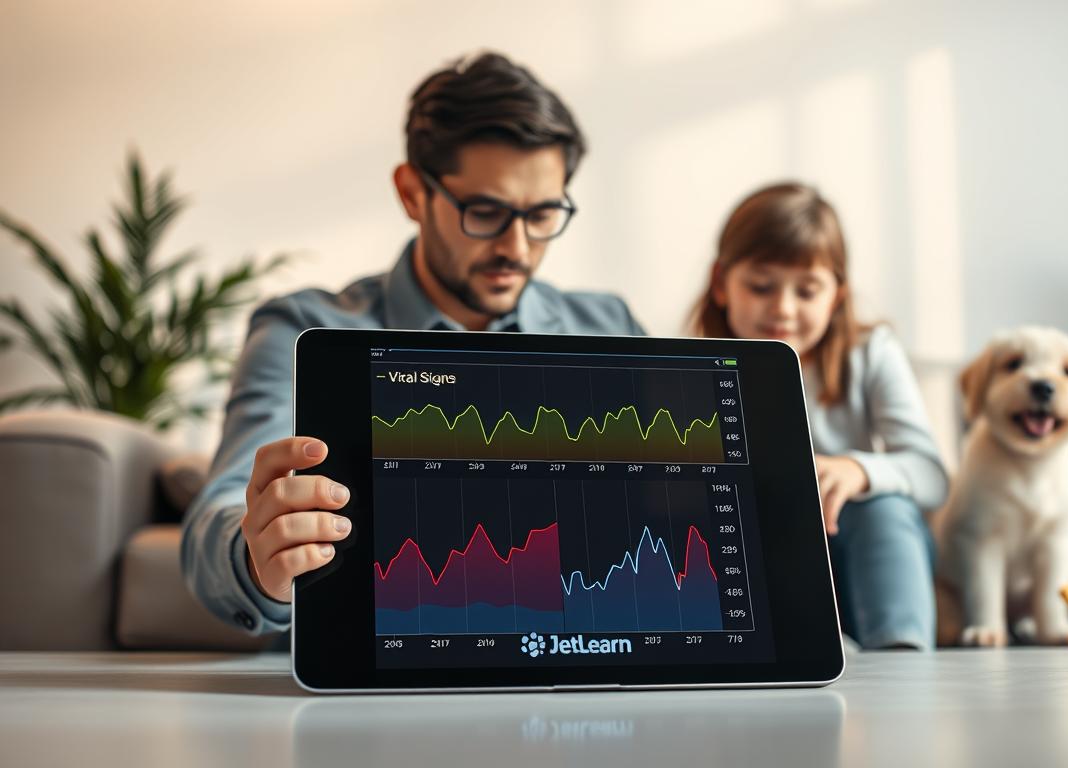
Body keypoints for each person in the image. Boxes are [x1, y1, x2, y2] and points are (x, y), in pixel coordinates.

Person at [182, 51, 645, 636]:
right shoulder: (302, 331)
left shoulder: (608, 326)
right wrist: (255, 559)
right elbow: (220, 510)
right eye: (486, 211)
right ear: (411, 193)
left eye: (543, 214)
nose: (519, 248)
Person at [690, 182, 948, 650]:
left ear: (837, 296)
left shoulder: (871, 354)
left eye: (807, 291)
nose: (783, 309)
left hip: (856, 558)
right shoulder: (695, 370)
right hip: (761, 563)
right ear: (721, 284)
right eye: (761, 286)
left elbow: (932, 474)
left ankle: (902, 657)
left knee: (886, 507)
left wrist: (857, 470)